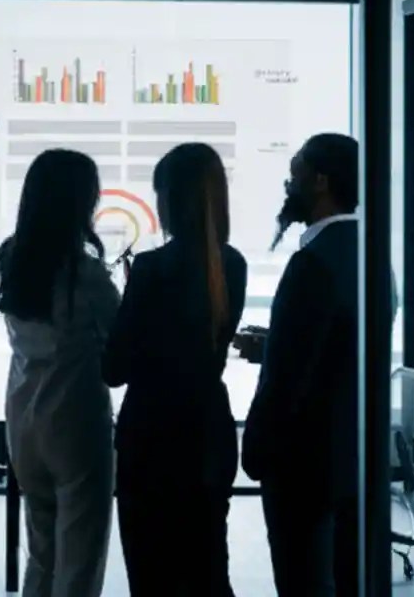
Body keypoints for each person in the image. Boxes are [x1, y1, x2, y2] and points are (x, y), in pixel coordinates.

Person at [103, 143, 248, 597]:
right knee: (209, 569)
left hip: (151, 439)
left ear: (169, 199)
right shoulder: (233, 265)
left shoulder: (151, 269)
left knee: (153, 575)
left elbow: (114, 368)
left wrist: (129, 302)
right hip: (209, 436)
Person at [240, 132, 378, 597]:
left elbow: (287, 381)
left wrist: (255, 448)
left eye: (295, 169)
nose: (288, 180)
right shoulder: (374, 257)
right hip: (352, 457)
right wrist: (276, 342)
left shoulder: (312, 263)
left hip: (302, 464)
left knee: (302, 581)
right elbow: (341, 347)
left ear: (320, 180)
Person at [0, 150, 118, 597]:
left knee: (42, 552)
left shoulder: (12, 260)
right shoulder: (84, 272)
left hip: (23, 417)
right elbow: (118, 334)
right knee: (80, 556)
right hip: (75, 420)